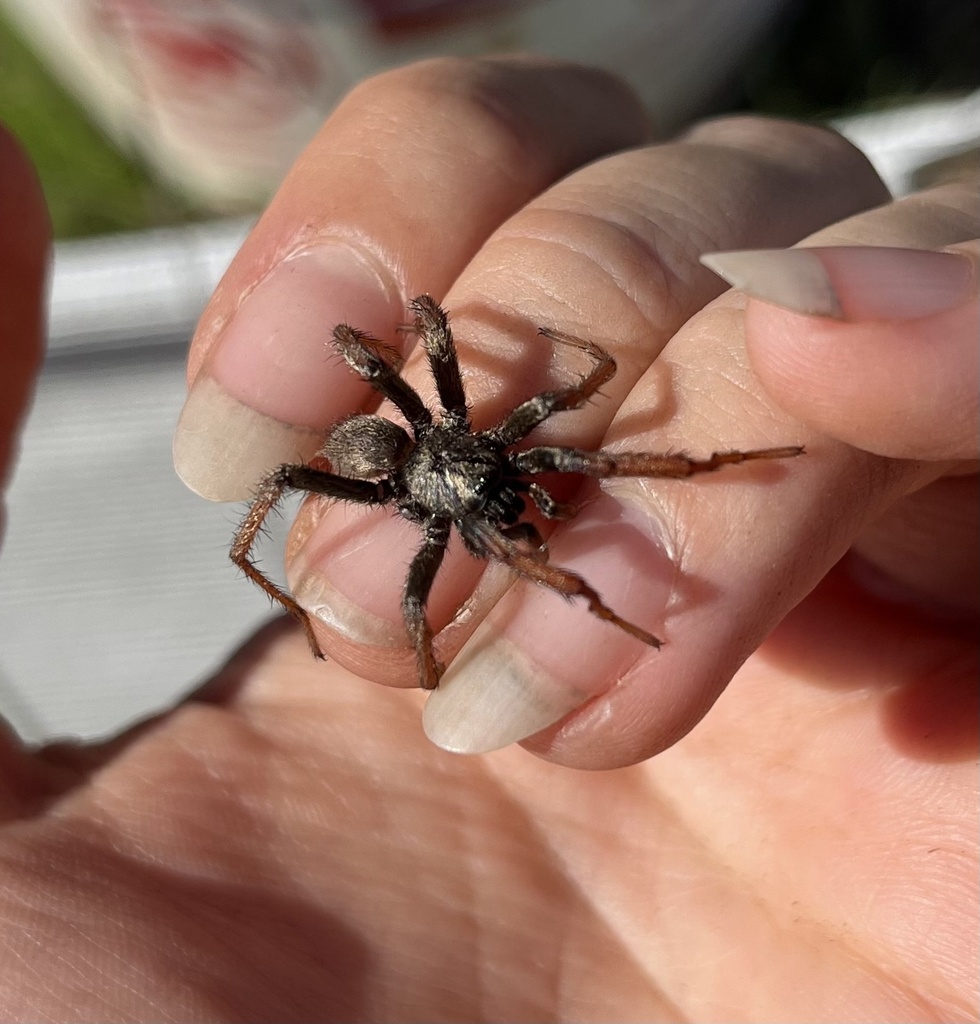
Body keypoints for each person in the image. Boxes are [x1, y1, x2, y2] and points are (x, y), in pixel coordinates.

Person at [1, 58, 976, 1020]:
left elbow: (444, 330)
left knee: (590, 465)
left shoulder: (494, 438)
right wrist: (331, 612)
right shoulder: (443, 482)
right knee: (439, 580)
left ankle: (726, 462)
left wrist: (571, 357)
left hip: (446, 459)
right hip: (411, 472)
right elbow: (393, 435)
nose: (514, 515)